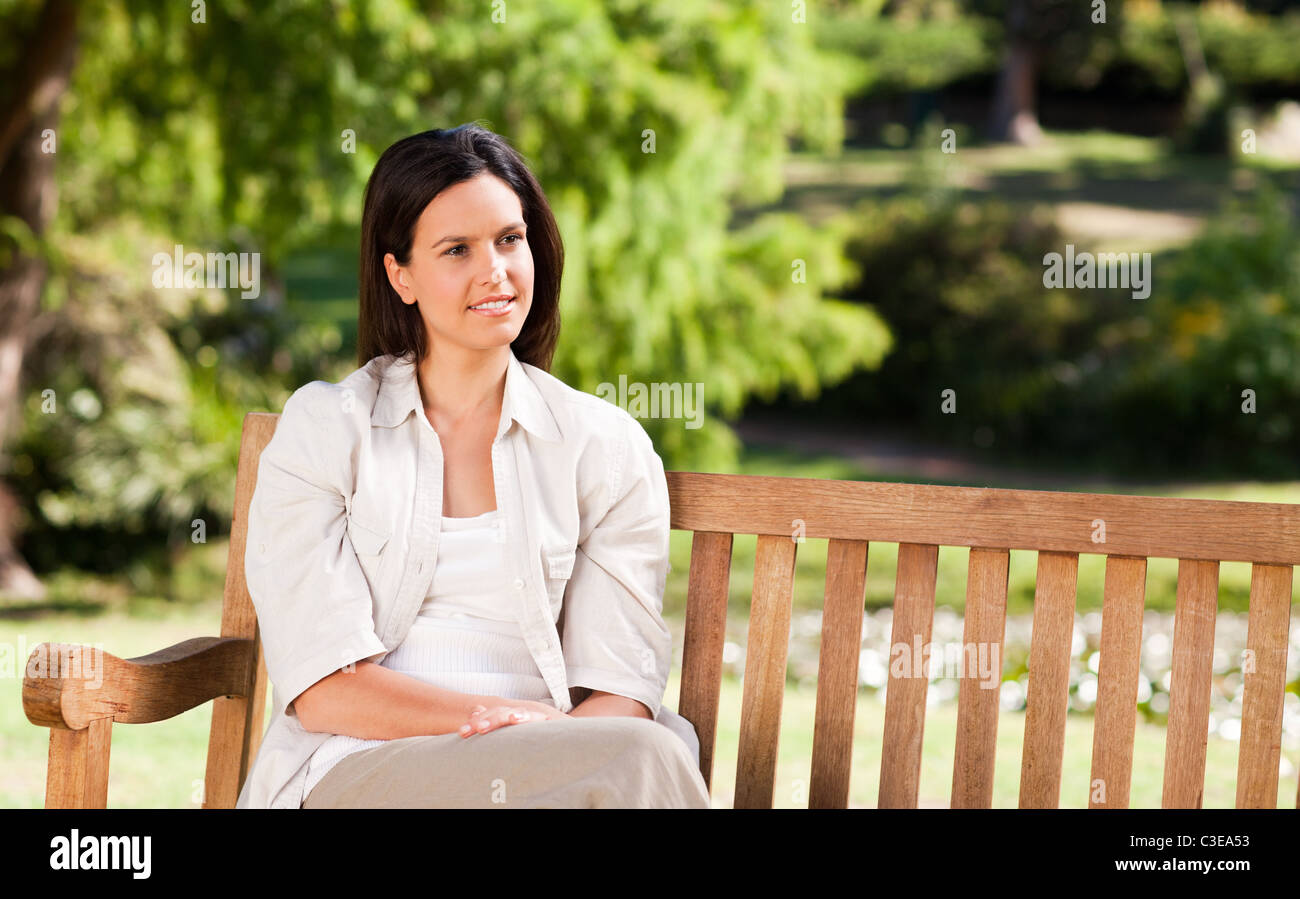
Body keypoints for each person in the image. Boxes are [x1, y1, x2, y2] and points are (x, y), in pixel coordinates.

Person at [235, 123, 711, 809]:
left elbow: (620, 689)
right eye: (457, 249)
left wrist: (541, 740)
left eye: (509, 240)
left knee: (643, 752)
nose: (495, 270)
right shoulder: (327, 430)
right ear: (400, 273)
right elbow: (324, 688)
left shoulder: (603, 446)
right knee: (642, 759)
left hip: (552, 767)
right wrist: (499, 721)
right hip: (363, 765)